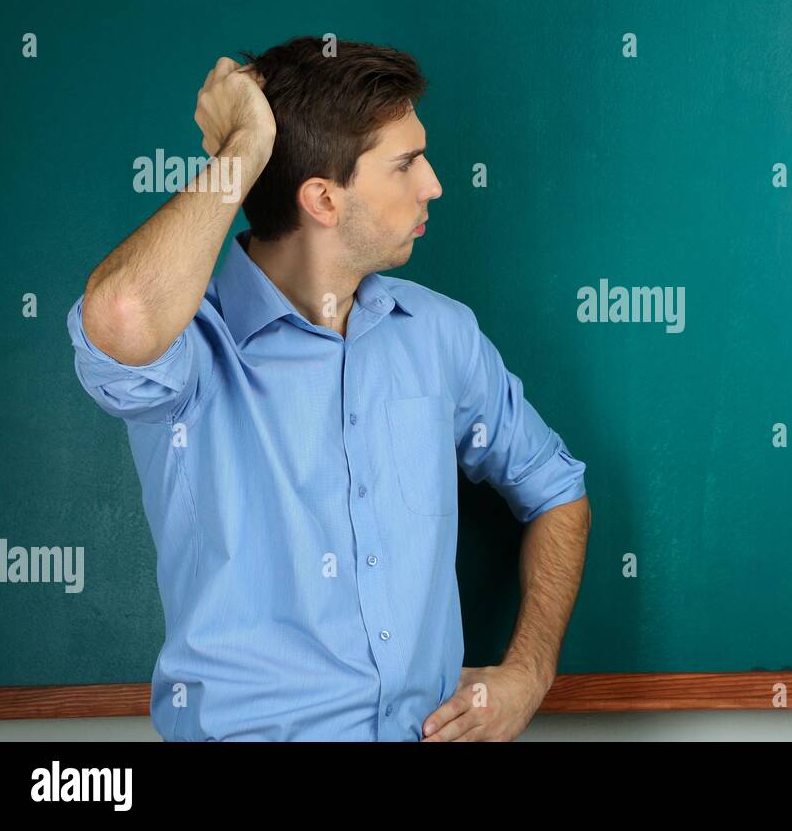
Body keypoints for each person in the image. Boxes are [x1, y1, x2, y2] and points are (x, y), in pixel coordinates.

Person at [65, 36, 591, 741]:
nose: (432, 183)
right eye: (406, 164)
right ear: (321, 197)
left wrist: (530, 672)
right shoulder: (191, 351)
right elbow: (123, 314)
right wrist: (244, 148)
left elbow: (555, 488)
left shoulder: (439, 334)